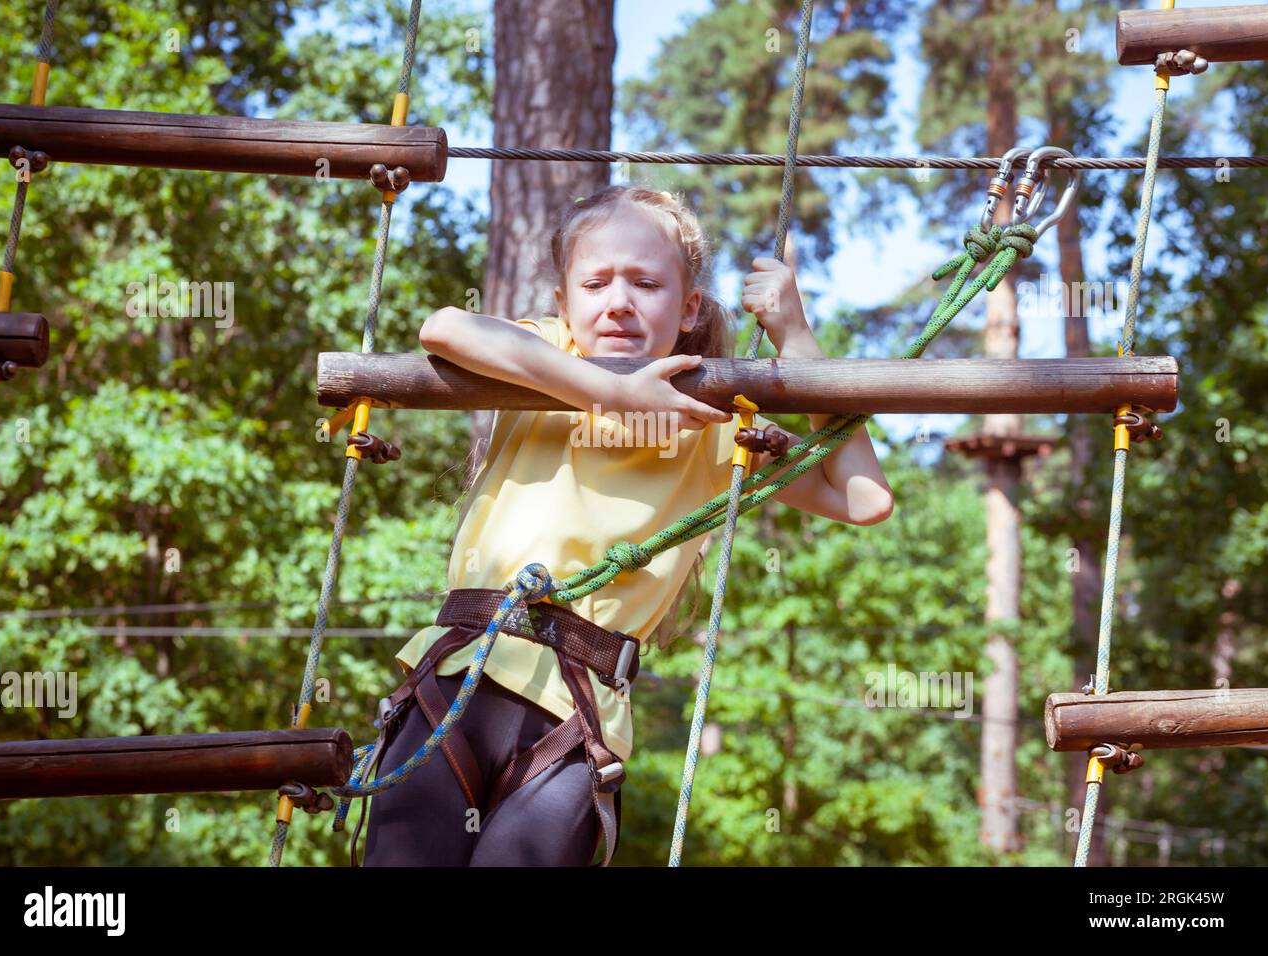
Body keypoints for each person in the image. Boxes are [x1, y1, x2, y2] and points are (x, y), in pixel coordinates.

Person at [360, 185, 893, 867]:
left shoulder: (719, 430)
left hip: (575, 720)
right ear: (563, 305)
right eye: (596, 282)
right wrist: (608, 388)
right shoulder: (548, 363)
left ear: (688, 307)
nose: (618, 301)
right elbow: (445, 328)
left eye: (646, 283)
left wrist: (796, 333)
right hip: (463, 676)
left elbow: (863, 499)